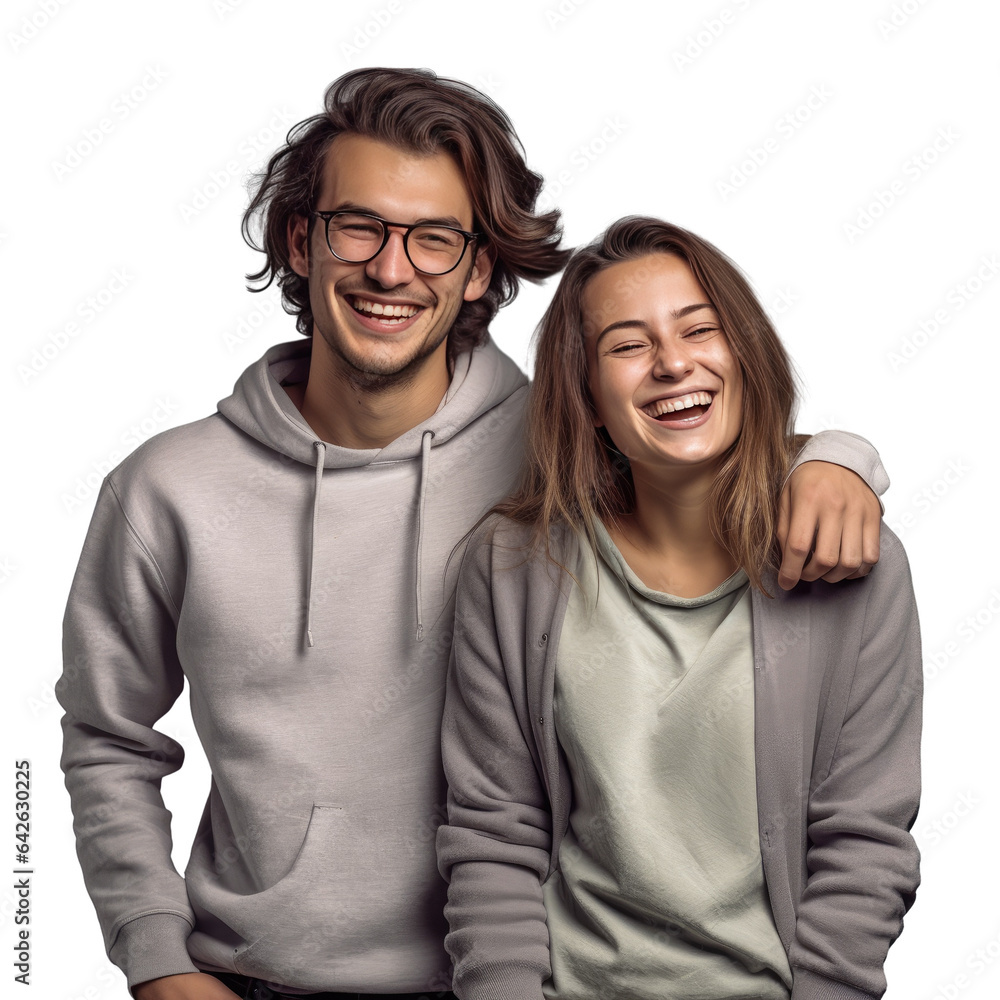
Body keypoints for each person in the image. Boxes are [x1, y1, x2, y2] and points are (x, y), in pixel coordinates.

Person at [58, 70, 890, 1000]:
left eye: (436, 239)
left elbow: (702, 440)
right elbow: (106, 737)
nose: (390, 268)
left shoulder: (561, 451)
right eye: (359, 226)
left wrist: (838, 460)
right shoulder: (165, 488)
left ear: (480, 269)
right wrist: (156, 957)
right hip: (248, 976)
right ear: (303, 239)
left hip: (516, 976)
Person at [437, 217, 921, 1000]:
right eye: (628, 346)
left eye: (699, 330)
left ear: (745, 356)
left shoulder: (852, 559)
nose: (672, 363)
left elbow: (864, 841)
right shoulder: (515, 565)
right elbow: (495, 830)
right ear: (588, 397)